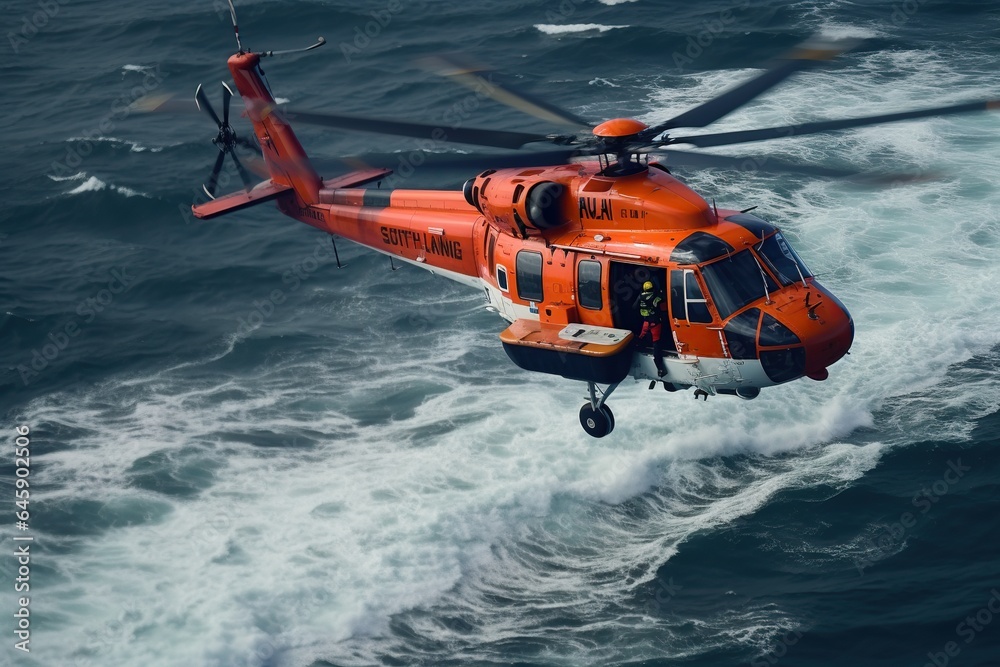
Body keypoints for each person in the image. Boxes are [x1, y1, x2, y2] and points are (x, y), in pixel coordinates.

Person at [633, 280, 667, 377]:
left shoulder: (640, 296)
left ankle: (635, 351)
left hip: (646, 322)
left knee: (640, 337)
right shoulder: (655, 296)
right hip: (655, 323)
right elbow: (663, 299)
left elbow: (634, 306)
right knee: (657, 343)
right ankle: (660, 368)